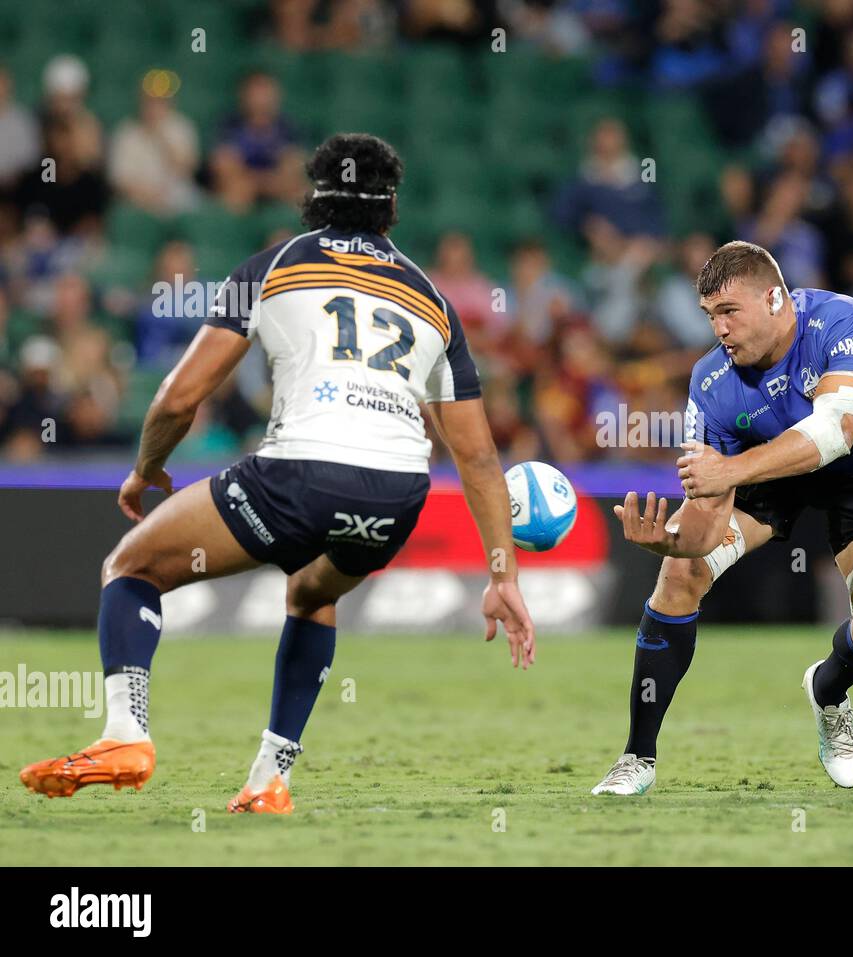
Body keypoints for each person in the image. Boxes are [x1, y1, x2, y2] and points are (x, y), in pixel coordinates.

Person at [20, 134, 536, 813]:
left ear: (311, 198)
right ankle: (268, 779)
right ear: (391, 210)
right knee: (312, 592)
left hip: (301, 471)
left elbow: (180, 395)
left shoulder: (278, 262)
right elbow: (476, 457)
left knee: (131, 566)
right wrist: (502, 573)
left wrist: (147, 468)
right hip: (395, 494)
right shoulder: (432, 297)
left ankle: (124, 734)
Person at [591, 240, 853, 794]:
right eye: (710, 316)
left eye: (729, 312)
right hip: (774, 473)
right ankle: (637, 758)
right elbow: (701, 527)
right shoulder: (710, 383)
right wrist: (670, 545)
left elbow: (834, 431)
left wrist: (731, 470)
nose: (719, 330)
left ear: (774, 298)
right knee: (680, 578)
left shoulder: (843, 323)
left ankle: (828, 690)